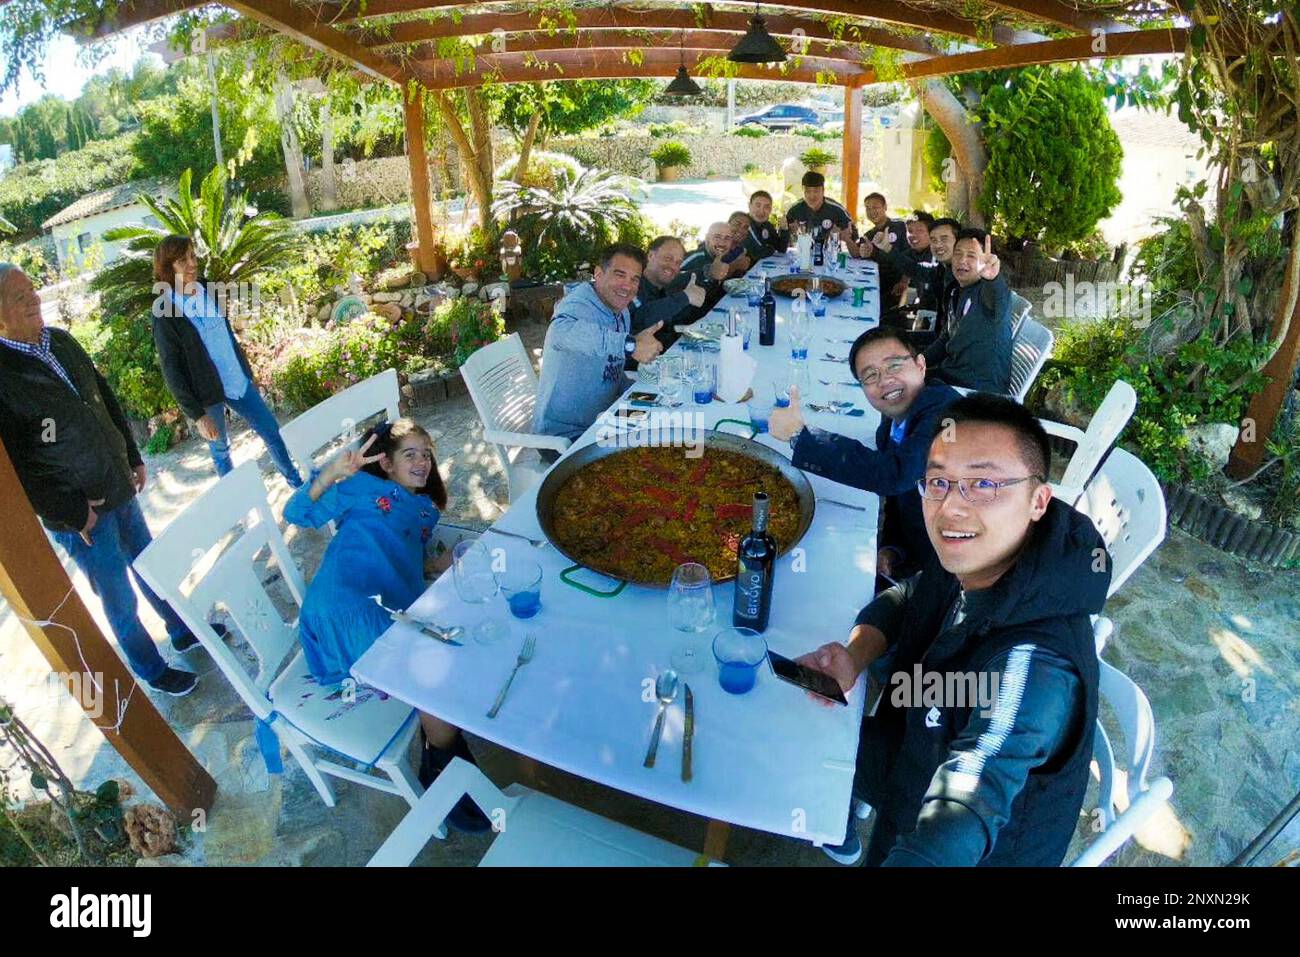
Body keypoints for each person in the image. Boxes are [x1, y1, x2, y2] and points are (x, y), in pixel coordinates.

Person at [799, 393, 1109, 866]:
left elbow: (966, 803)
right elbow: (908, 599)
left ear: (1038, 500)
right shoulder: (985, 552)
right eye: (939, 481)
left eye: (984, 483)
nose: (951, 509)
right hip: (912, 744)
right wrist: (855, 655)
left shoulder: (1034, 671)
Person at [0, 263, 203, 695]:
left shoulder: (61, 340)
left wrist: (132, 455)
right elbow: (17, 469)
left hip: (117, 483)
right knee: (119, 597)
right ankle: (151, 669)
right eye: (21, 298)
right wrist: (72, 513)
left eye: (33, 291)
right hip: (83, 514)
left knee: (151, 566)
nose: (35, 300)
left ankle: (182, 630)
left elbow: (103, 396)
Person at [283, 418, 489, 832]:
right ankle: (448, 774)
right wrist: (332, 474)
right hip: (340, 607)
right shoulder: (360, 489)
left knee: (454, 643)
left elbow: (408, 555)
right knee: (431, 674)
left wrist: (437, 565)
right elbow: (297, 512)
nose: (421, 461)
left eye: (426, 453)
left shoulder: (426, 509)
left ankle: (445, 761)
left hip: (385, 606)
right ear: (388, 465)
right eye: (408, 454)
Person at [768, 327, 960, 589]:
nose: (885, 380)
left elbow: (896, 474)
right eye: (870, 375)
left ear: (921, 365)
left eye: (894, 365)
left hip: (956, 575)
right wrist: (893, 549)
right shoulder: (891, 426)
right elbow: (900, 498)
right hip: (918, 554)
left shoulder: (946, 414)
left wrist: (801, 437)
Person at [150, 235, 302, 486]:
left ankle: (297, 483)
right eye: (182, 260)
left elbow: (226, 333)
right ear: (168, 268)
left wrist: (246, 371)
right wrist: (197, 415)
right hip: (206, 393)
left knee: (272, 432)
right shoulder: (164, 311)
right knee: (221, 452)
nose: (191, 263)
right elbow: (172, 371)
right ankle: (238, 509)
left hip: (236, 379)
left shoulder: (207, 288)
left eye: (192, 256)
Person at [533, 243, 664, 444]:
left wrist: (642, 394)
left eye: (634, 279)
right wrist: (630, 345)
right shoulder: (578, 305)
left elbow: (610, 369)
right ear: (599, 273)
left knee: (669, 423)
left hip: (606, 418)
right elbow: (560, 332)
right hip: (567, 436)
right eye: (620, 275)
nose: (628, 286)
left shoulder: (621, 311)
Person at [921, 229, 1012, 394]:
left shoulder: (986, 292)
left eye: (971, 255)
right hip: (950, 377)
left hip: (977, 391)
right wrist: (919, 361)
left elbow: (997, 298)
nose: (962, 260)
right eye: (958, 254)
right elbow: (946, 339)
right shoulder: (957, 290)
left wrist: (992, 279)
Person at [869, 216, 960, 348]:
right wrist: (887, 247)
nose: (938, 244)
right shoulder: (943, 269)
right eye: (934, 240)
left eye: (944, 239)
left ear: (959, 241)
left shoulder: (965, 279)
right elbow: (916, 270)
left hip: (949, 349)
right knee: (879, 333)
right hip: (938, 336)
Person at [630, 236, 706, 359]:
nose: (672, 266)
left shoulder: (664, 287)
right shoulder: (632, 283)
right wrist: (685, 297)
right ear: (650, 256)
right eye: (668, 258)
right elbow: (638, 318)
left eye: (678, 262)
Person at [855, 192, 908, 302]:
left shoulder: (900, 226)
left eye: (875, 207)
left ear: (885, 207)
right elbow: (859, 255)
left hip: (899, 285)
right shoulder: (868, 235)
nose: (871, 212)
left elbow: (910, 255)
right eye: (867, 208)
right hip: (878, 285)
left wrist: (904, 281)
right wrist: (865, 253)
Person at [678, 222, 735, 320]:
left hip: (709, 315)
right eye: (717, 237)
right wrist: (708, 272)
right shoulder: (695, 258)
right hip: (685, 322)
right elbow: (670, 279)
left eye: (727, 238)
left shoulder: (719, 258)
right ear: (707, 238)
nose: (722, 242)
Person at [784, 171, 854, 244]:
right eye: (807, 191)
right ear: (803, 191)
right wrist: (790, 233)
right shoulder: (794, 210)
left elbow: (853, 238)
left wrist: (842, 236)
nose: (812, 196)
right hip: (803, 252)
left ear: (823, 190)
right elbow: (784, 241)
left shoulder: (837, 210)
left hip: (830, 253)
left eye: (816, 191)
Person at [743, 190, 788, 262]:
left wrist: (784, 229)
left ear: (770, 210)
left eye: (766, 207)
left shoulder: (767, 225)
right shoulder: (743, 224)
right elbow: (759, 253)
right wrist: (771, 249)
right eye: (758, 205)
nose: (761, 211)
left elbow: (781, 249)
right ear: (749, 206)